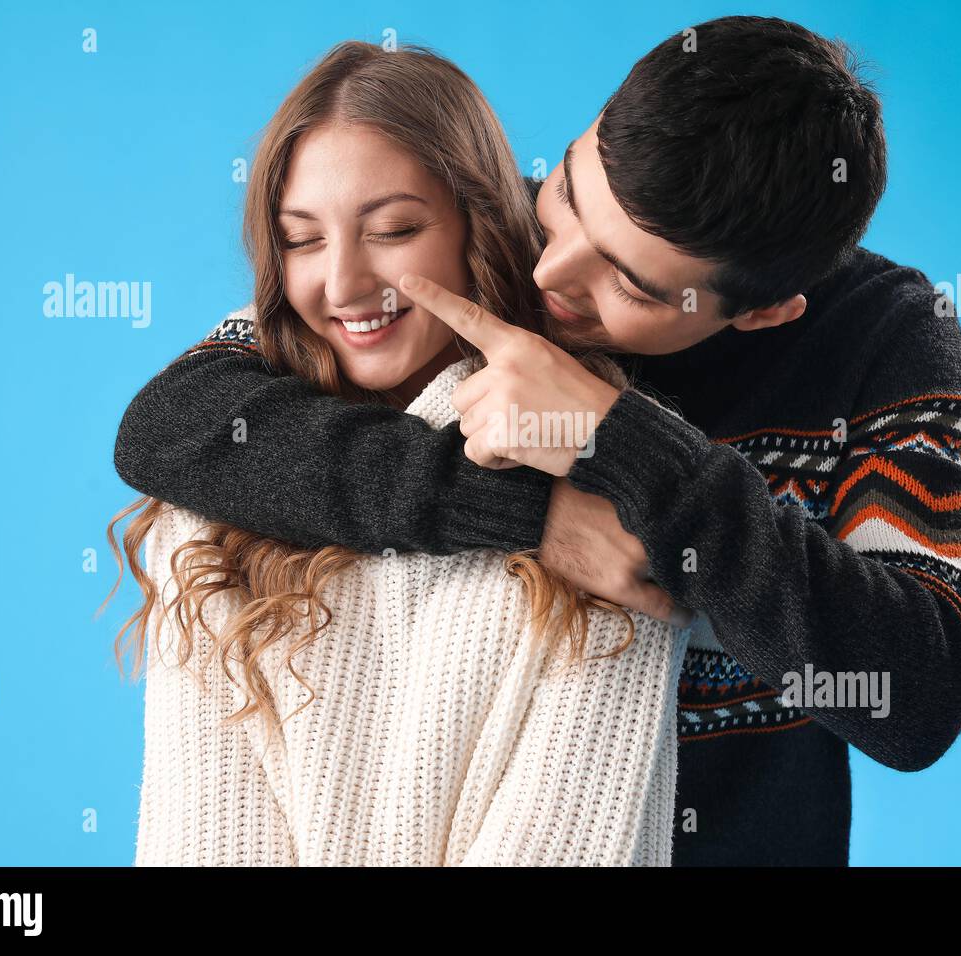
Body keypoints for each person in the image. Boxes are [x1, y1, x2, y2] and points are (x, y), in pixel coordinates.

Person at [114, 15, 961, 866]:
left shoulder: (884, 333)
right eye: (569, 195)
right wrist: (537, 514)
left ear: (761, 311)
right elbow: (175, 422)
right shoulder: (480, 233)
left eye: (629, 283)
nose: (548, 271)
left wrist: (618, 440)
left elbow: (916, 691)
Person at [103, 40, 693, 866]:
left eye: (394, 230)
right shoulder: (210, 484)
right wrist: (526, 510)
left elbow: (572, 834)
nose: (342, 284)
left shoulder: (602, 478)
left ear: (480, 225)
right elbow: (202, 833)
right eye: (302, 239)